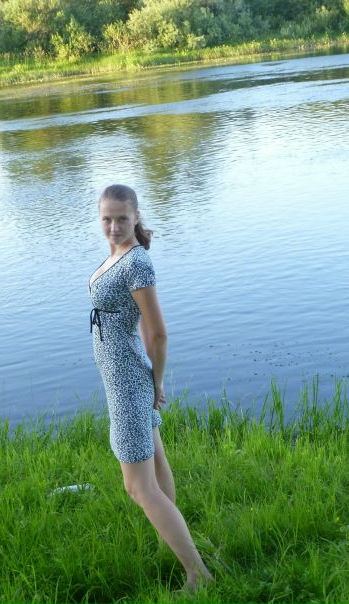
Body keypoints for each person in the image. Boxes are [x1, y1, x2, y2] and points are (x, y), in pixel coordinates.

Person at [89, 184, 213, 588]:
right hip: (127, 377)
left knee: (138, 487)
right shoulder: (120, 255)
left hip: (129, 382)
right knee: (156, 467)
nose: (114, 226)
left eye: (122, 219)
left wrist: (154, 383)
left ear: (136, 217)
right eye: (107, 218)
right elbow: (140, 326)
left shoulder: (136, 264)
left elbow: (158, 334)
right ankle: (173, 546)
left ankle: (198, 574)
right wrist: (149, 379)